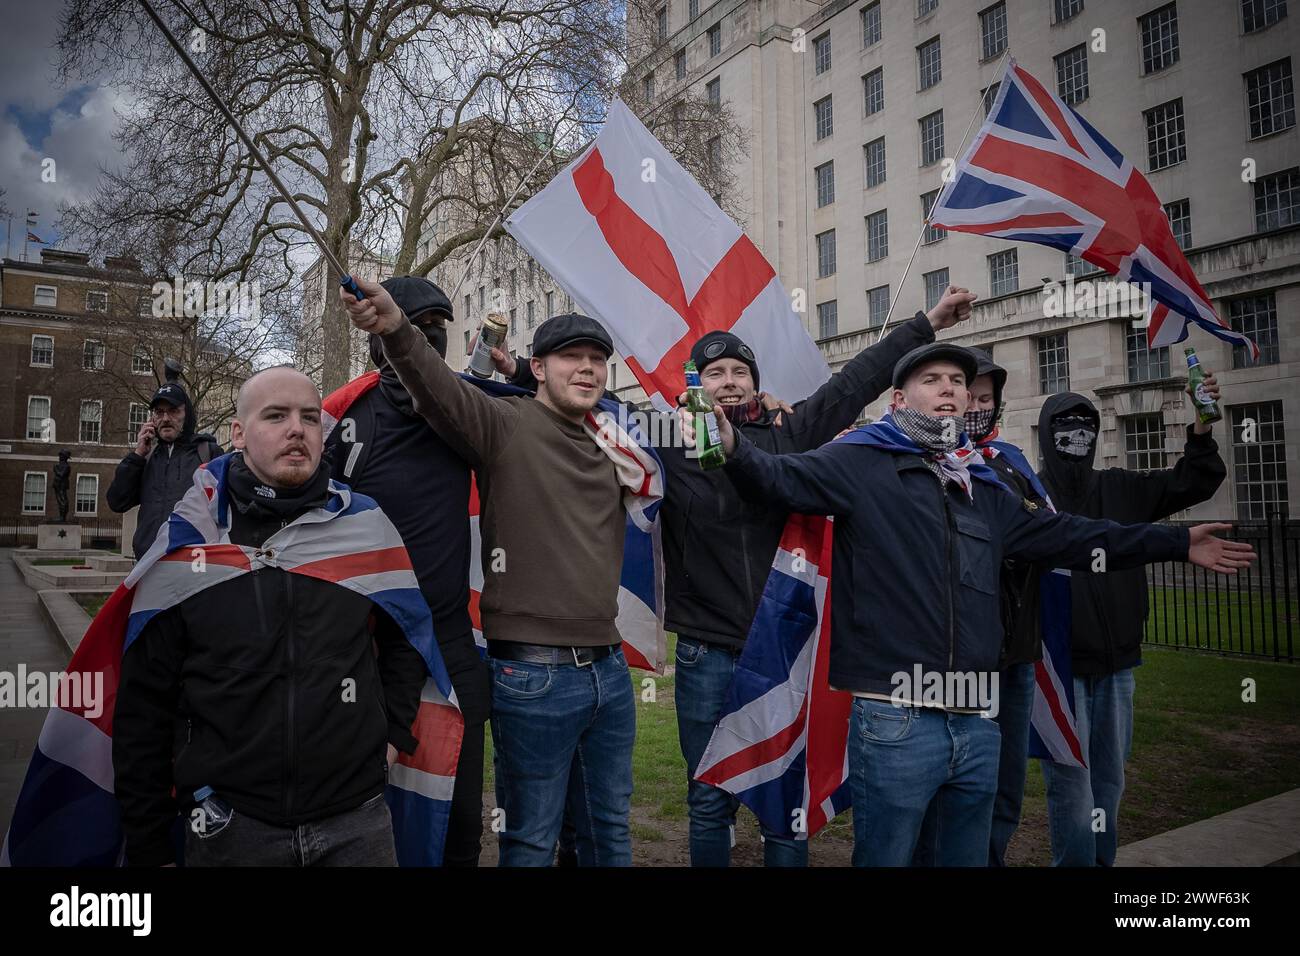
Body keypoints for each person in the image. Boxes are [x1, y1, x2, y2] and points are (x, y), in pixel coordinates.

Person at [713, 342, 1254, 866]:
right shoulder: (858, 462)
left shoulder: (983, 486)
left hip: (977, 719)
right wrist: (733, 445)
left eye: (957, 381)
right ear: (898, 399)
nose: (950, 389)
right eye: (932, 380)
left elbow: (1072, 536)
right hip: (897, 717)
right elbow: (776, 478)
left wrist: (1179, 543)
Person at [341, 278, 654, 867]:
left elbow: (703, 449)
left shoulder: (623, 446)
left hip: (610, 676)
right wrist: (396, 330)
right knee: (530, 842)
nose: (587, 370)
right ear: (538, 368)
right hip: (533, 677)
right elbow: (438, 389)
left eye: (598, 362)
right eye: (571, 359)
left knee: (609, 837)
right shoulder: (502, 423)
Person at [112, 366, 429, 866]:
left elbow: (407, 639)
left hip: (357, 822)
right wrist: (151, 844)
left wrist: (392, 739)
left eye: (309, 417)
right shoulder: (189, 543)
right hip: (230, 827)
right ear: (238, 433)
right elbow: (143, 706)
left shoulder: (367, 526)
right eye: (276, 416)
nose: (297, 429)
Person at [324, 275, 494, 867]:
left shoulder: (471, 413)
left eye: (437, 333)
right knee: (372, 823)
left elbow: (564, 414)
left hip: (453, 650)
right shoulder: (345, 423)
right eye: (415, 330)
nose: (431, 342)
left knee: (457, 824)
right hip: (367, 655)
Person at [1034, 373, 1227, 867]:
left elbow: (1193, 480)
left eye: (1085, 427)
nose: (1076, 437)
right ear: (1045, 434)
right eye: (1064, 427)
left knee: (1109, 782)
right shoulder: (1031, 497)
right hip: (1058, 671)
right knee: (1072, 786)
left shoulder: (1120, 489)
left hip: (1117, 666)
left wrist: (1201, 430)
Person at [107, 368, 221, 557]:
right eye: (159, 412)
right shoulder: (146, 458)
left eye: (174, 411)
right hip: (148, 562)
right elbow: (117, 502)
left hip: (193, 564)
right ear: (152, 418)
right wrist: (137, 457)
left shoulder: (208, 453)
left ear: (187, 414)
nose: (166, 418)